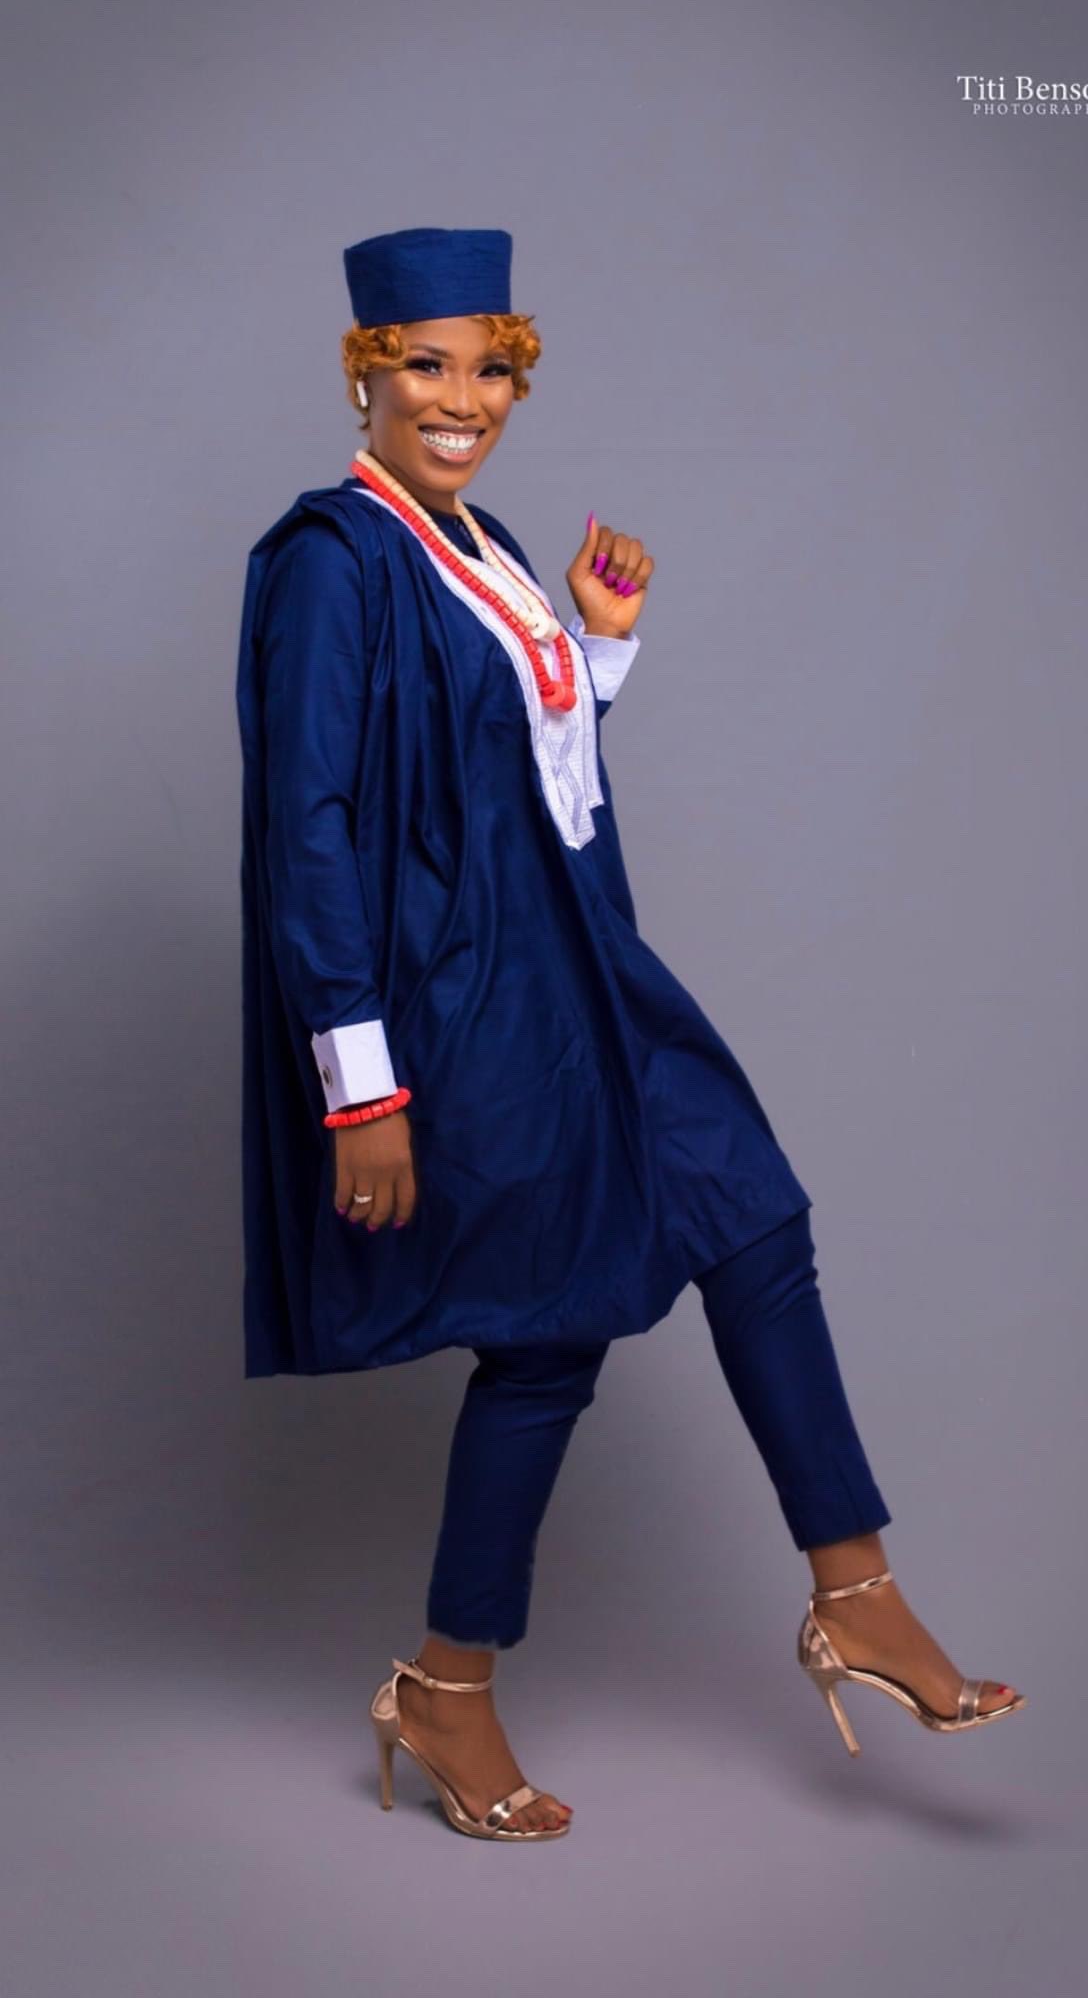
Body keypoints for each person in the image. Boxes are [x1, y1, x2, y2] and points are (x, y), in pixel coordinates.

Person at [235, 225, 1026, 1845]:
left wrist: (590, 645)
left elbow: (508, 771)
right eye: (426, 365)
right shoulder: (333, 557)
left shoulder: (488, 541)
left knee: (746, 1217)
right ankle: (456, 1689)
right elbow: (309, 826)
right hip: (467, 1003)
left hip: (581, 966)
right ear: (366, 373)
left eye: (491, 368)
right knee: (554, 1328)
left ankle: (845, 1596)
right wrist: (359, 1085)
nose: (464, 400)